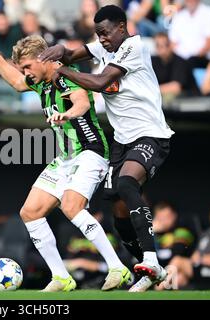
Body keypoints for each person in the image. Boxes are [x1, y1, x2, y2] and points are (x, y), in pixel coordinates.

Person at [0, 30, 131, 292]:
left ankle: (118, 268)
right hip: (65, 158)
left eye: (28, 65)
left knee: (72, 207)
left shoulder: (65, 75)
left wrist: (68, 114)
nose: (25, 72)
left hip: (90, 151)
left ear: (43, 59)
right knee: (30, 212)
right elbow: (16, 82)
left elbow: (82, 102)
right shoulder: (40, 81)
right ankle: (61, 277)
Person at [39, 5, 174, 292]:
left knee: (127, 182)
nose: (101, 39)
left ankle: (152, 259)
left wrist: (60, 68)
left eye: (106, 33)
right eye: (98, 34)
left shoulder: (133, 48)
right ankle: (150, 271)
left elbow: (100, 82)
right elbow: (75, 53)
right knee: (119, 213)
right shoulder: (106, 49)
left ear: (122, 28)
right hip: (122, 141)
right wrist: (61, 49)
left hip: (150, 134)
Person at [170, 203, 210, 289]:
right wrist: (202, 259)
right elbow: (194, 257)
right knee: (179, 278)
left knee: (177, 261)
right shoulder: (207, 234)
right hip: (201, 271)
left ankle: (157, 290)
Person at [151, 32, 200, 103]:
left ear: (170, 45)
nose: (161, 49)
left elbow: (175, 88)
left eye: (165, 45)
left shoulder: (180, 62)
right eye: (158, 45)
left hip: (190, 101)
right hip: (168, 101)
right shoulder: (153, 61)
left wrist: (151, 90)